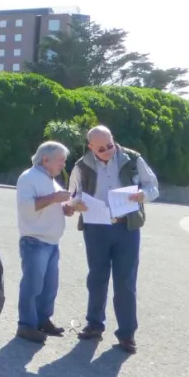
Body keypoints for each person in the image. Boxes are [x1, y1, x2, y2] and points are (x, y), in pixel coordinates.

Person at [68, 125, 159, 354]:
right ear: (91, 147)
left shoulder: (133, 159)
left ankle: (127, 334)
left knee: (125, 282)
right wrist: (76, 203)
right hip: (95, 227)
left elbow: (153, 186)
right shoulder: (81, 165)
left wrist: (143, 195)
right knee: (96, 278)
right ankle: (94, 325)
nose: (108, 150)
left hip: (126, 228)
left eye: (110, 145)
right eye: (101, 148)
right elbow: (73, 194)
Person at [15, 141, 75, 343]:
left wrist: (65, 209)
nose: (63, 164)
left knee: (49, 287)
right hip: (35, 240)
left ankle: (42, 319)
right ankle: (26, 325)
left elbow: (52, 205)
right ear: (45, 159)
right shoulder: (29, 177)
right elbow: (27, 208)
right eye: (61, 160)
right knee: (32, 285)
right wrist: (54, 198)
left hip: (51, 242)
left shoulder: (51, 180)